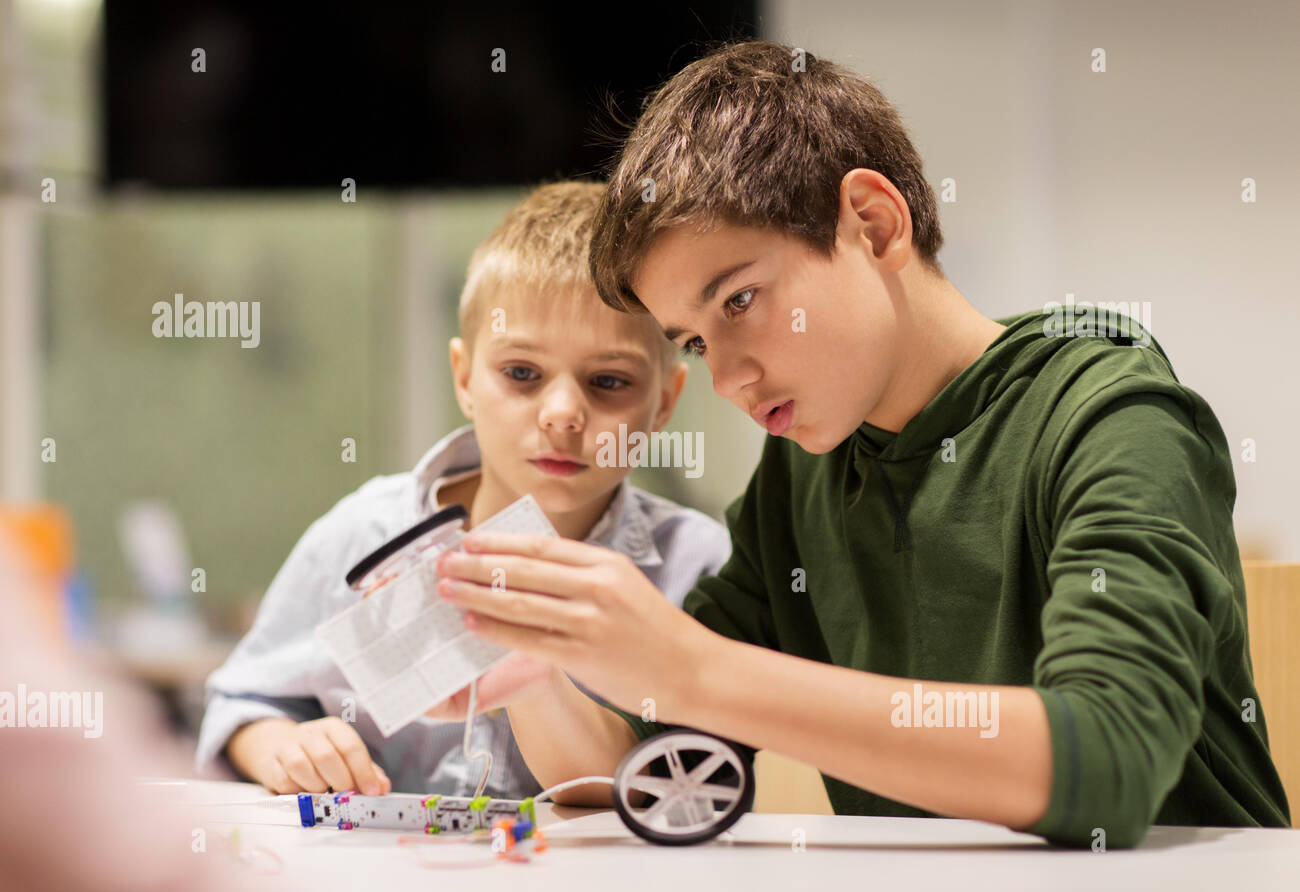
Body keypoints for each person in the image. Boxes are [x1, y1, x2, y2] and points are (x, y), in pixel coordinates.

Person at [432, 40, 1290, 847]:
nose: (726, 378)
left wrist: (696, 670)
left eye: (738, 301)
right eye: (692, 341)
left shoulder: (1113, 418)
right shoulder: (802, 474)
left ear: (875, 225)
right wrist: (531, 663)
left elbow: (1109, 755)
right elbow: (649, 765)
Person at [196, 181, 730, 800]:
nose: (562, 414)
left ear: (664, 402)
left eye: (608, 380)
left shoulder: (699, 567)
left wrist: (533, 675)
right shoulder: (364, 532)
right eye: (522, 373)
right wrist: (283, 747)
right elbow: (242, 698)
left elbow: (674, 787)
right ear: (464, 378)